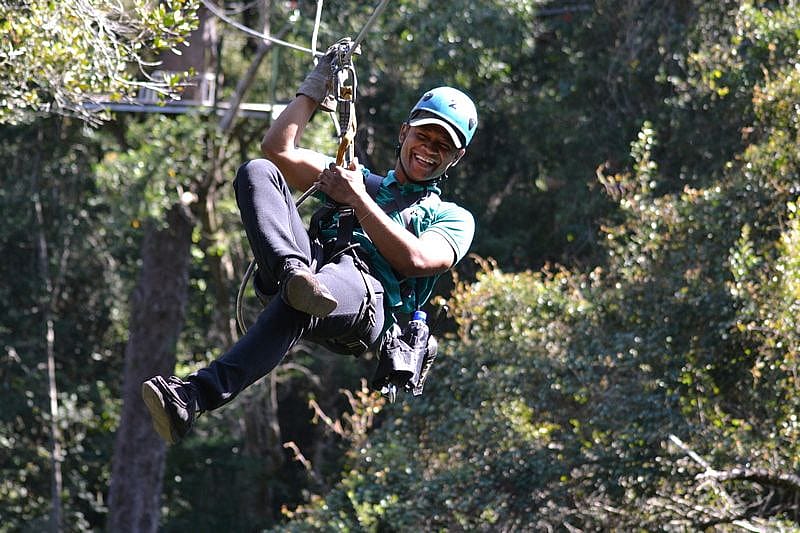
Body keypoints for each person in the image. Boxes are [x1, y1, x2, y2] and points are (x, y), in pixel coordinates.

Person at [141, 41, 478, 445]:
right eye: (424, 136)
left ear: (454, 159)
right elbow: (278, 149)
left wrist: (356, 198)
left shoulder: (452, 217)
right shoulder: (357, 180)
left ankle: (194, 395)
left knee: (305, 299)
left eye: (442, 147)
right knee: (258, 171)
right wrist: (315, 87)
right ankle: (292, 274)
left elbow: (416, 259)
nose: (429, 151)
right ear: (405, 132)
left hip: (366, 296)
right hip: (309, 264)